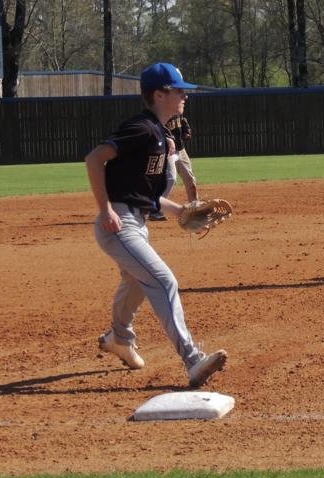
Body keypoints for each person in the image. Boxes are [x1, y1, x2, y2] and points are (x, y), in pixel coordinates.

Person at [85, 62, 227, 387]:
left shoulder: (161, 135)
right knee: (164, 281)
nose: (184, 96)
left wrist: (179, 211)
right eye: (179, 90)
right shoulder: (142, 128)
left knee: (136, 283)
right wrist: (105, 209)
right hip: (118, 224)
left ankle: (119, 338)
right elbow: (94, 158)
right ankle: (193, 360)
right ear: (159, 94)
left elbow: (142, 193)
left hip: (136, 220)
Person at [148, 113, 198, 220]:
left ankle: (195, 208)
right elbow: (157, 127)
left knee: (190, 179)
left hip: (180, 149)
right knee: (170, 178)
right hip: (167, 150)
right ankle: (155, 209)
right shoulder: (162, 110)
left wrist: (186, 130)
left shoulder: (176, 107)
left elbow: (183, 120)